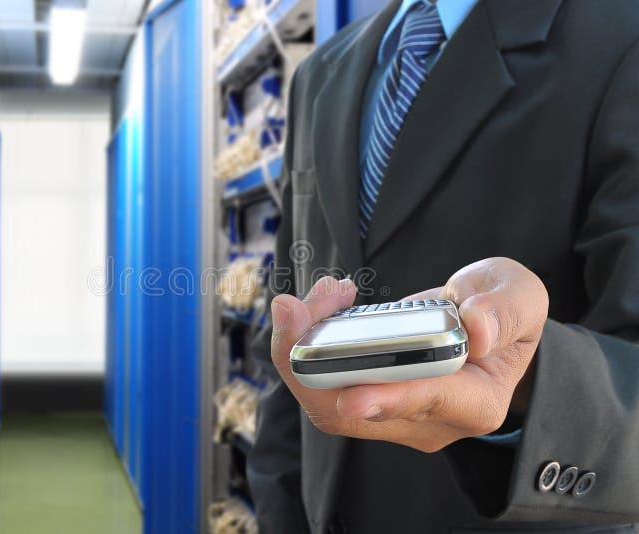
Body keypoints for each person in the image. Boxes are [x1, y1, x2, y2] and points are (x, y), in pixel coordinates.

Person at [246, 0, 639, 532]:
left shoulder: (622, 39)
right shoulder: (322, 72)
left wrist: (527, 384)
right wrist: (278, 508)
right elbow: (290, 326)